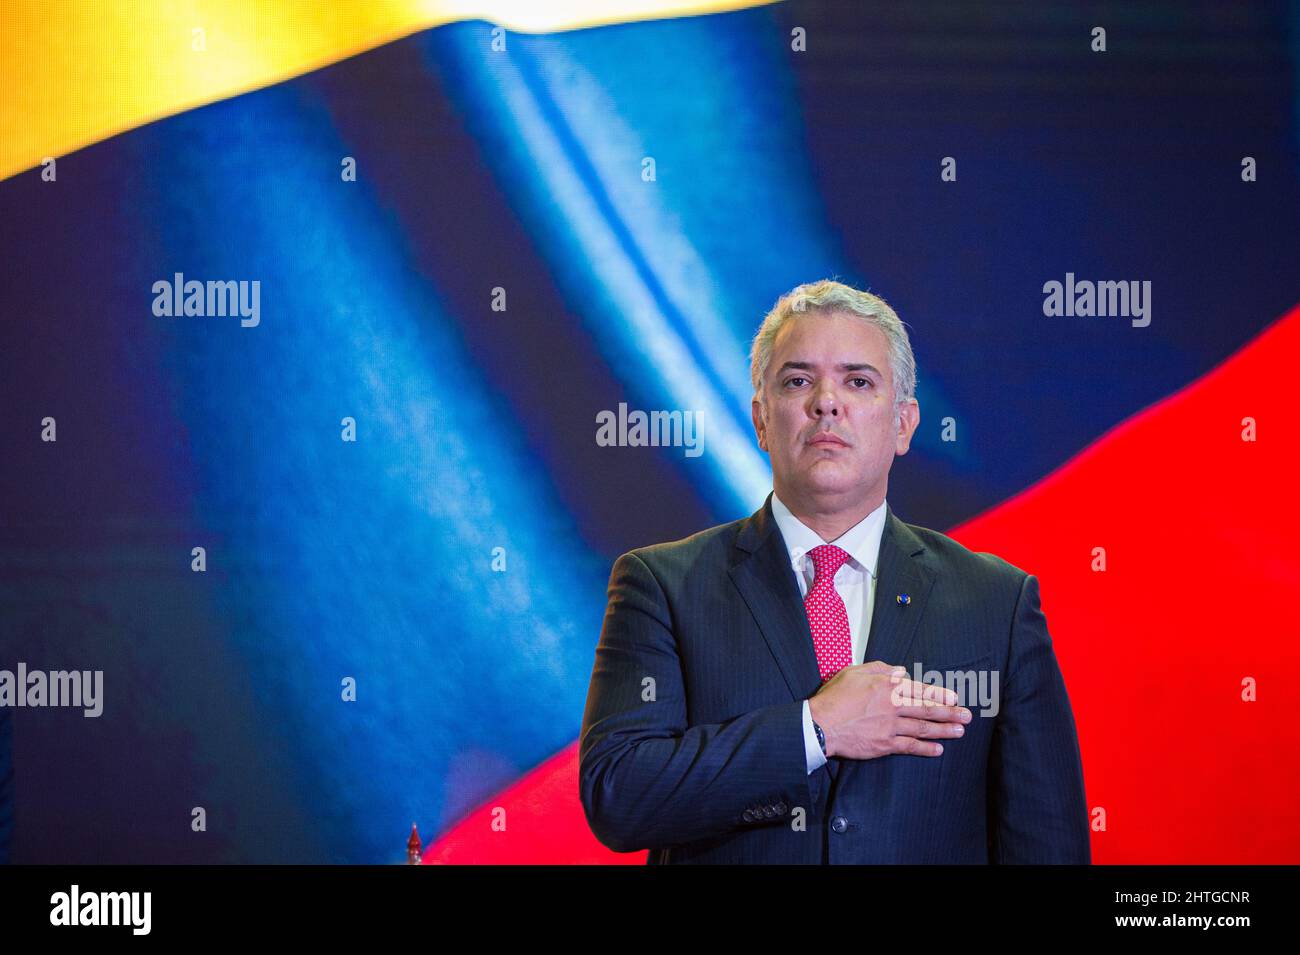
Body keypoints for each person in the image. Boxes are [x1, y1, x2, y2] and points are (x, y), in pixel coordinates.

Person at [578, 279, 1089, 863]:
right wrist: (814, 731)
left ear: (903, 423)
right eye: (798, 381)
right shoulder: (662, 586)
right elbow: (618, 795)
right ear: (761, 420)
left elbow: (1048, 845)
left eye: (858, 381)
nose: (827, 401)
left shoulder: (997, 602)